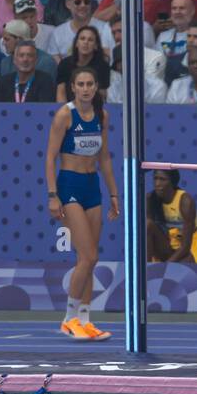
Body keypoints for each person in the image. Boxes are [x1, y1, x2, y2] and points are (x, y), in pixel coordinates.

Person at [44, 68, 120, 341]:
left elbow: (106, 160)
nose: (86, 89)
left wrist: (113, 195)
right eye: (81, 84)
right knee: (89, 257)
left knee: (87, 259)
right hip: (69, 186)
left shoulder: (102, 115)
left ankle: (85, 320)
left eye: (90, 84)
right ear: (73, 87)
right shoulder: (65, 115)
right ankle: (69, 318)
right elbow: (50, 157)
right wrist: (53, 195)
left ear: (96, 86)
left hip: (92, 187)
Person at [146, 169, 197, 263]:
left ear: (172, 182)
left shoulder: (185, 201)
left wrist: (165, 266)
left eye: (162, 179)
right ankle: (146, 270)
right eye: (155, 179)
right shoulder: (150, 199)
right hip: (167, 246)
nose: (157, 183)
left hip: (187, 250)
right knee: (148, 225)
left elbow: (185, 247)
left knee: (187, 262)